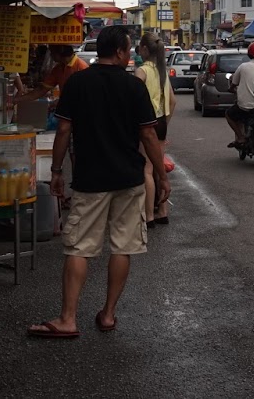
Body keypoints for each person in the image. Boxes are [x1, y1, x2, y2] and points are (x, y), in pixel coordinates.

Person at [30, 25, 167, 338]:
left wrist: (55, 171)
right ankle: (107, 314)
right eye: (128, 49)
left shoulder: (78, 83)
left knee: (78, 248)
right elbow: (147, 134)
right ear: (119, 51)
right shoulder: (134, 87)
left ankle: (67, 319)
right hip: (129, 178)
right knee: (123, 246)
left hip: (90, 178)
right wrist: (160, 177)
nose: (130, 54)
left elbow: (63, 130)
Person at [135, 33, 172, 226]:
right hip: (161, 123)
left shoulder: (142, 71)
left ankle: (149, 215)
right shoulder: (162, 71)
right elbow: (172, 102)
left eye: (140, 47)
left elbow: (132, 97)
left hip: (146, 123)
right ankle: (163, 211)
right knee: (159, 168)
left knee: (147, 170)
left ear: (145, 50)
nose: (138, 51)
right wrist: (164, 123)